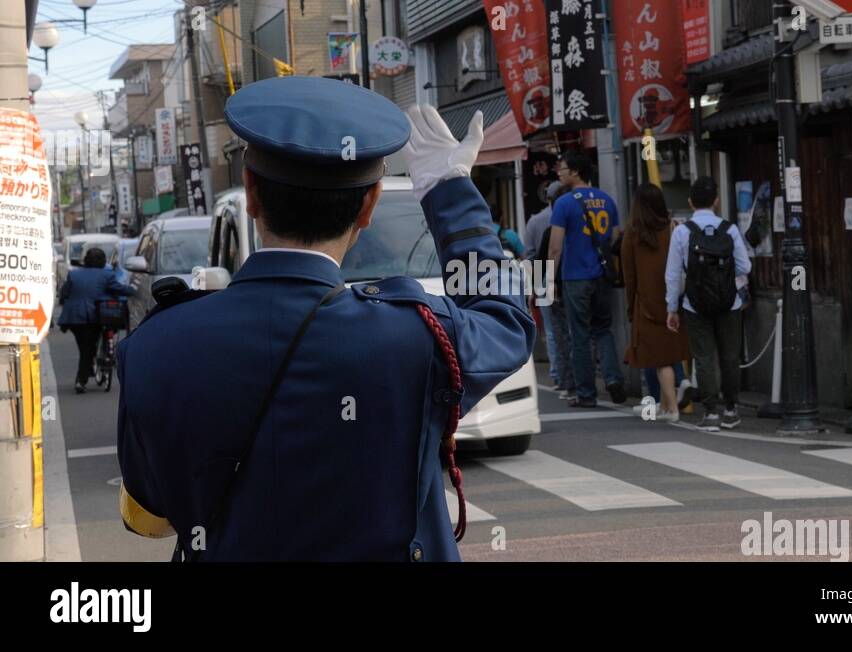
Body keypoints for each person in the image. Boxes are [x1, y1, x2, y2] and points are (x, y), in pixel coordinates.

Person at [116, 78, 535, 561]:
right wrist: (450, 193)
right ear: (369, 205)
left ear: (250, 192)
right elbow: (506, 321)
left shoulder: (156, 345)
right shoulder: (419, 334)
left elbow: (148, 513)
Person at [666, 177, 752, 431]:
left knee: (704, 357)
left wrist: (672, 308)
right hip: (729, 303)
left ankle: (711, 412)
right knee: (729, 356)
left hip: (695, 303)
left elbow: (673, 274)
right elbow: (745, 266)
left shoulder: (682, 231)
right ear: (716, 201)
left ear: (690, 202)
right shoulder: (730, 229)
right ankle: (731, 410)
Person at [547, 150, 626, 407]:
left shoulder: (564, 203)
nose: (560, 171)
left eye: (564, 167)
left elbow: (555, 247)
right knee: (603, 330)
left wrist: (548, 280)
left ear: (577, 171)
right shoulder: (607, 200)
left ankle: (586, 393)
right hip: (602, 276)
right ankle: (613, 379)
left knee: (579, 335)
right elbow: (615, 239)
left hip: (575, 276)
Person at [621, 184, 691, 422]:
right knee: (669, 354)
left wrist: (631, 306)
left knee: (660, 360)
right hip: (673, 300)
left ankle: (672, 409)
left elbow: (629, 276)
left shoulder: (632, 234)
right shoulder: (672, 228)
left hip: (646, 302)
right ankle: (663, 404)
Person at [57, 246, 133, 394]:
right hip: (94, 316)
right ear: (103, 261)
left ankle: (87, 369)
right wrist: (133, 290)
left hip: (73, 317)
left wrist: (66, 300)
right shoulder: (107, 275)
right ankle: (81, 380)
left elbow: (64, 293)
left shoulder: (74, 274)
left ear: (85, 261)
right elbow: (118, 289)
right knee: (88, 348)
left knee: (84, 347)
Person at [527, 181, 575, 398]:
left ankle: (561, 377)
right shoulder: (577, 220)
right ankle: (579, 379)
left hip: (549, 282)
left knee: (555, 334)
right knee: (578, 335)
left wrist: (536, 287)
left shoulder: (538, 223)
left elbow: (532, 255)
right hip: (575, 280)